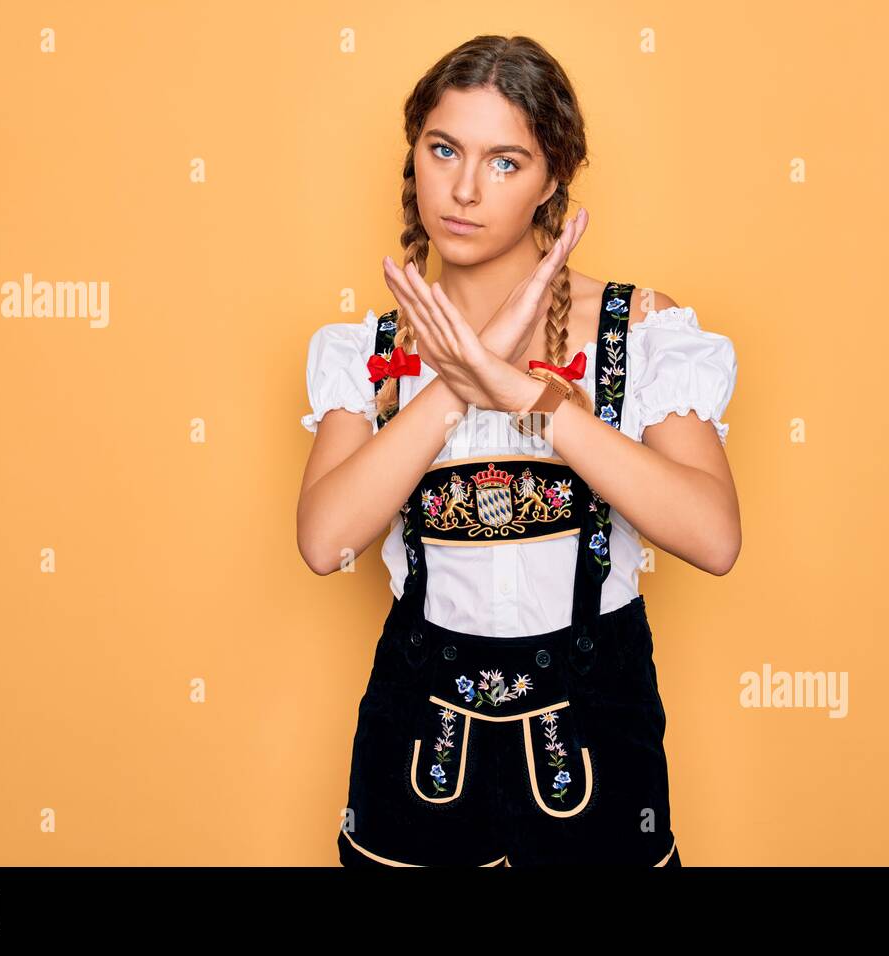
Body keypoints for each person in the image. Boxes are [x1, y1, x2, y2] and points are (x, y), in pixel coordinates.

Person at [297, 35, 740, 867]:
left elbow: (712, 536)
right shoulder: (373, 348)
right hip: (414, 749)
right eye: (444, 150)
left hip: (601, 746)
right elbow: (327, 541)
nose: (464, 189)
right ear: (414, 159)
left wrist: (527, 397)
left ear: (550, 183)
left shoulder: (636, 330)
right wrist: (457, 383)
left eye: (506, 162)